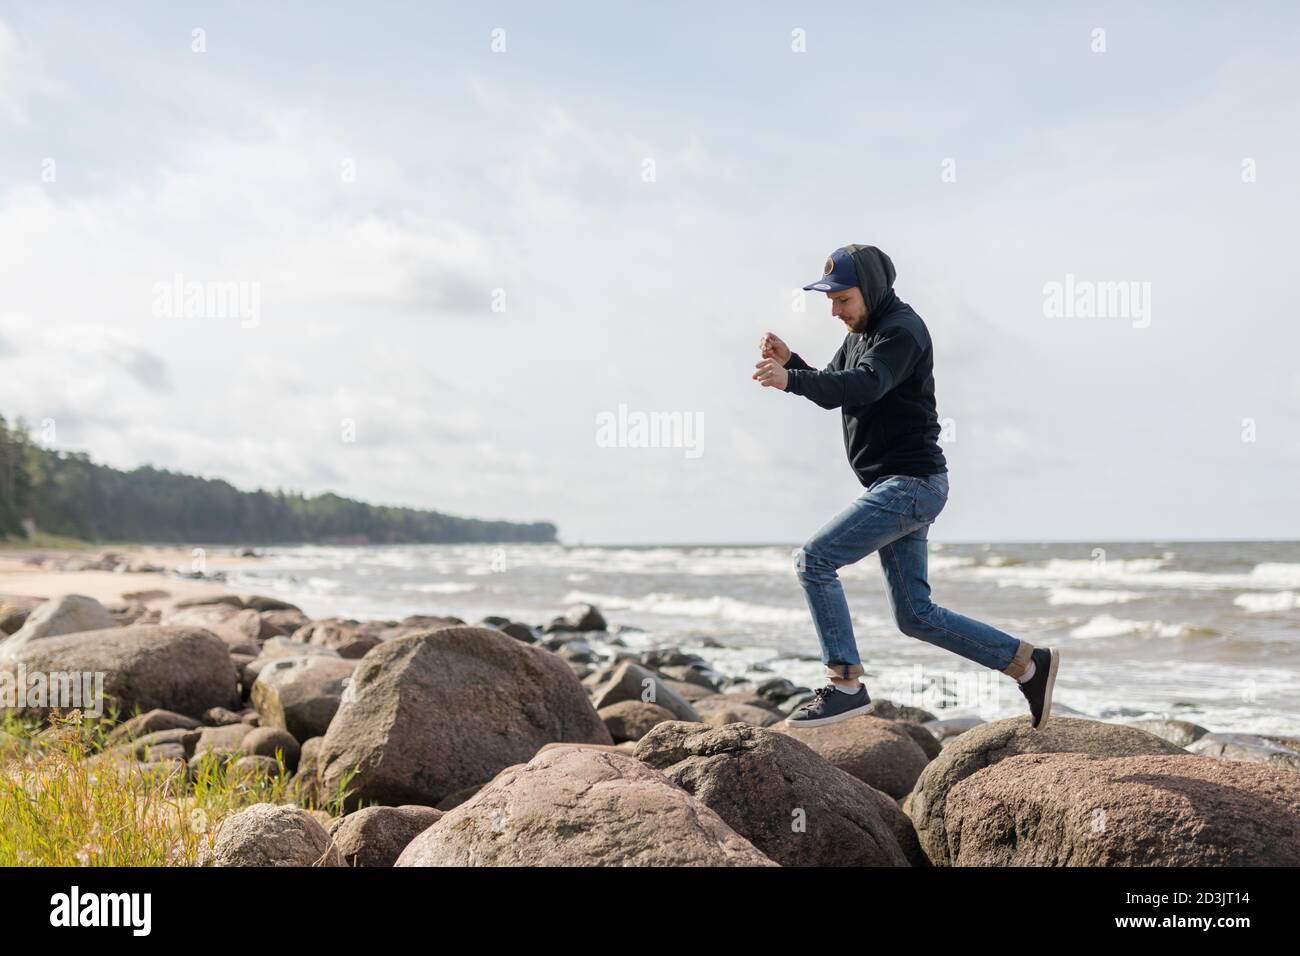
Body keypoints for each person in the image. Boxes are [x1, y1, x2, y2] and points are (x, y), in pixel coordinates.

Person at [753, 244, 1059, 729]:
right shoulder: (862, 332)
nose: (835, 310)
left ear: (870, 290)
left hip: (911, 484)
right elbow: (837, 386)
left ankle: (845, 684)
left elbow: (868, 384)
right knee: (915, 615)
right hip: (898, 487)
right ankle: (1027, 663)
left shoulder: (901, 330)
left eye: (843, 299)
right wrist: (796, 363)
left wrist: (791, 379)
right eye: (830, 300)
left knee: (814, 560)